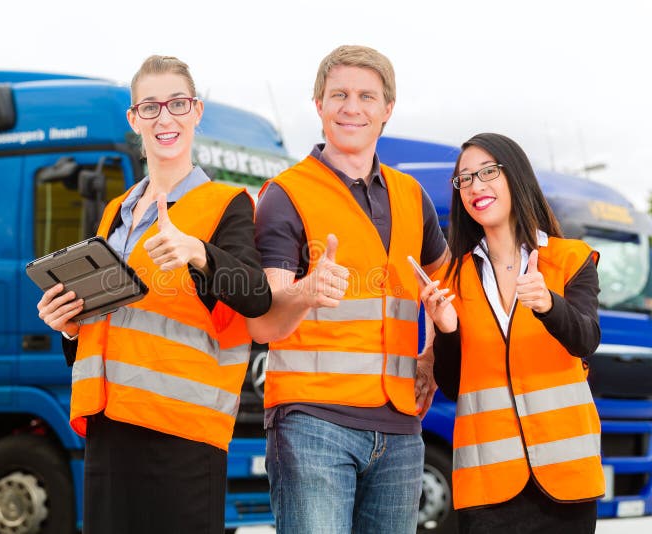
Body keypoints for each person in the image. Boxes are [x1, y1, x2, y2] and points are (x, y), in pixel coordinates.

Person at [36, 55, 271, 534]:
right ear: (133, 119)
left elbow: (257, 296)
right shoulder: (114, 214)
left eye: (177, 104)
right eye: (150, 106)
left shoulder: (226, 205)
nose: (165, 117)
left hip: (182, 434)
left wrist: (199, 253)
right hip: (109, 427)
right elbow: (110, 327)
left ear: (197, 112)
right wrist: (68, 324)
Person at [248, 45, 449, 533]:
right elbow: (262, 320)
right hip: (313, 422)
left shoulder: (412, 197)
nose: (351, 107)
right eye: (338, 94)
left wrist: (431, 356)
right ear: (318, 105)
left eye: (366, 96)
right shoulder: (285, 195)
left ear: (387, 110)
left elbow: (445, 285)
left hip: (400, 427)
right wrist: (306, 291)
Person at [421, 132, 604, 533]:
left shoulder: (568, 259)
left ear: (515, 176)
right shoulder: (455, 278)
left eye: (488, 171)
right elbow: (453, 386)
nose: (476, 186)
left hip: (566, 482)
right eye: (464, 179)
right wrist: (447, 331)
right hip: (488, 487)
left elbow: (586, 339)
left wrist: (549, 304)